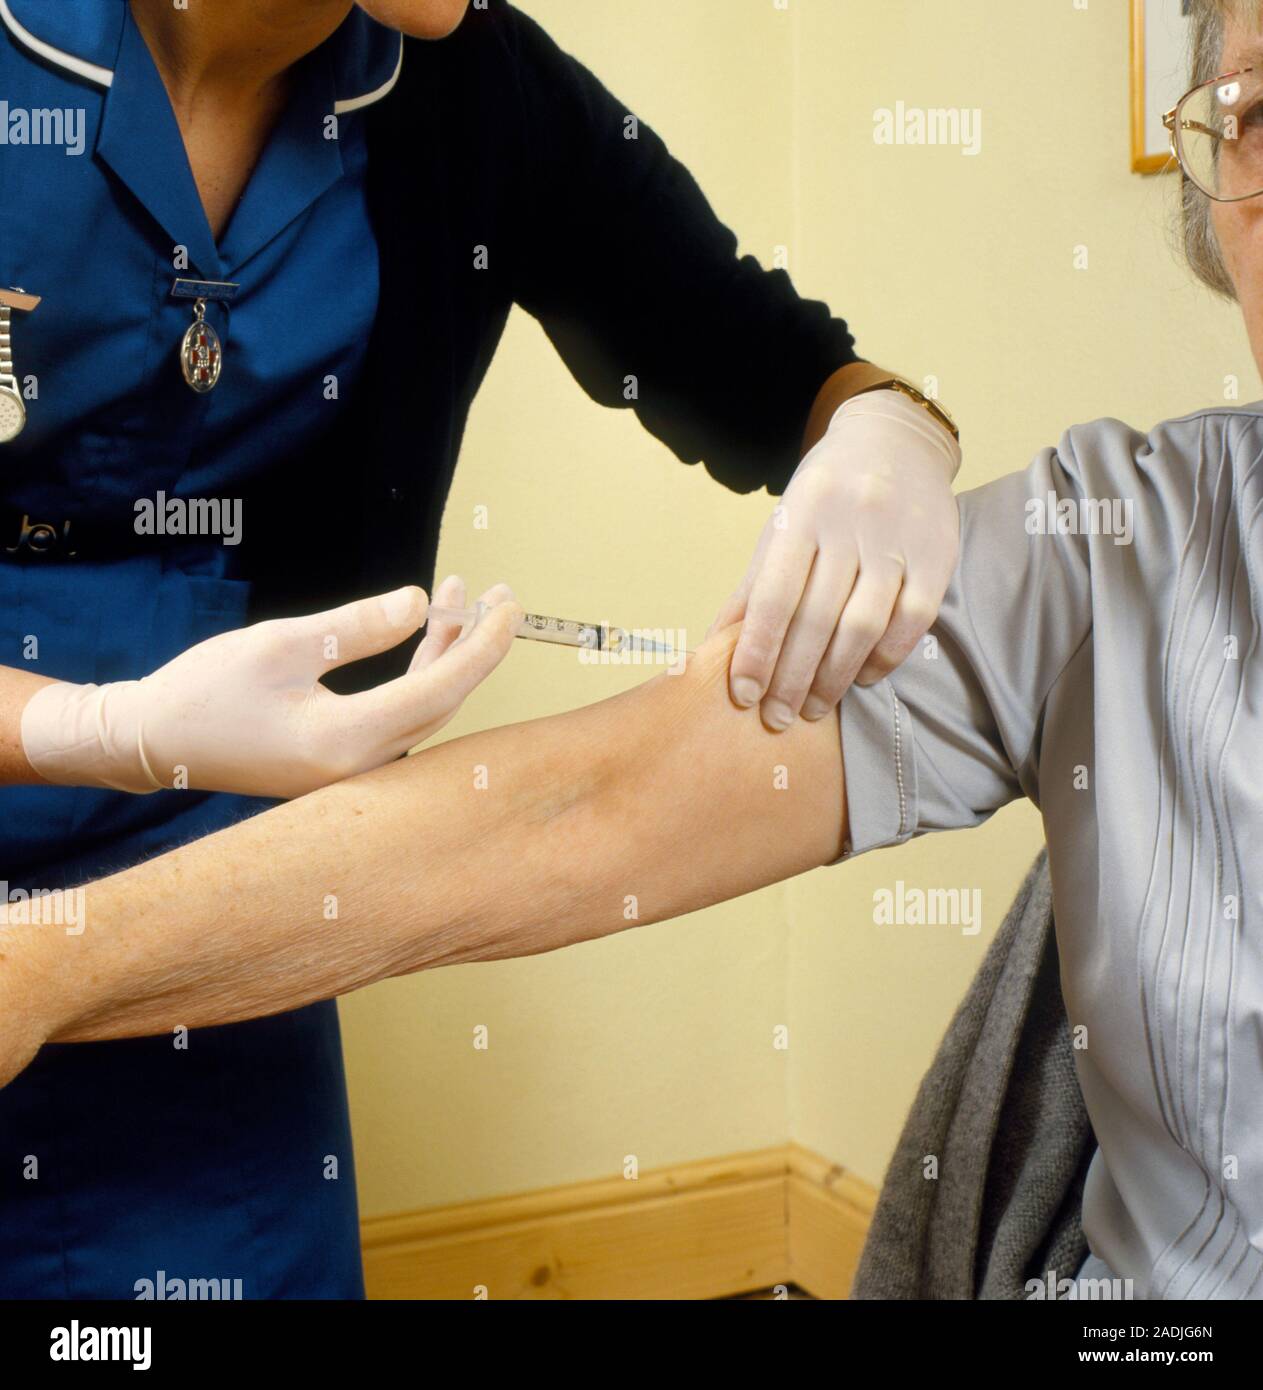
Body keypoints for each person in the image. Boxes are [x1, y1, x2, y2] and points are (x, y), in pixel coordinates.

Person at [11, 0, 1263, 1302]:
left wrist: (891, 428)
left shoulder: (469, 84)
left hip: (228, 901)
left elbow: (757, 358)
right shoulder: (1134, 540)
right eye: (1259, 114)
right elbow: (589, 805)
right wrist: (80, 738)